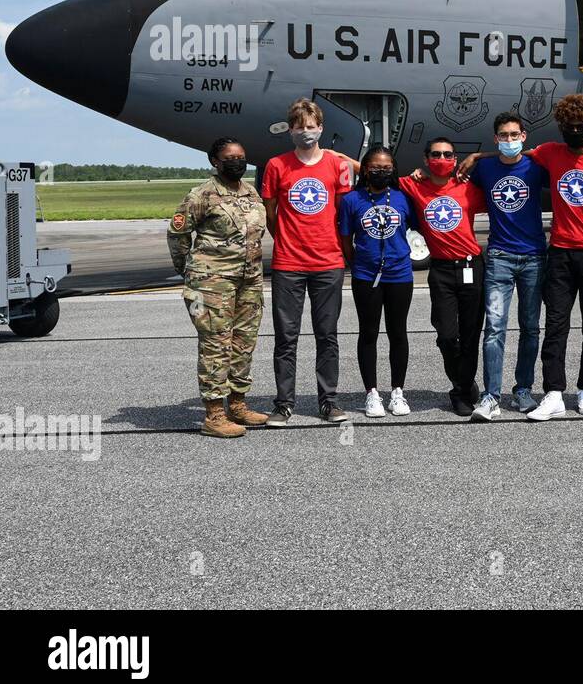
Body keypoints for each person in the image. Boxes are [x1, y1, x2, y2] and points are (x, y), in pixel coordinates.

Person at [461, 94, 583, 422]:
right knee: (548, 326)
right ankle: (548, 393)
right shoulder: (549, 153)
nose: (575, 130)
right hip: (555, 252)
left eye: (581, 126)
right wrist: (479, 155)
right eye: (569, 126)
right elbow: (512, 155)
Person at [167, 137, 269, 438]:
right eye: (229, 157)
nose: (237, 162)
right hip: (211, 283)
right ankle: (213, 413)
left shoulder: (250, 192)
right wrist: (190, 272)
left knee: (243, 343)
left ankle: (237, 404)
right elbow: (178, 235)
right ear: (215, 161)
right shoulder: (201, 195)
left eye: (241, 156)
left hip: (248, 281)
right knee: (216, 345)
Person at [260, 98, 352, 426]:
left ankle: (328, 401)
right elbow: (271, 213)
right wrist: (286, 239)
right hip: (289, 263)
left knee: (327, 335)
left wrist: (343, 254)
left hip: (328, 262)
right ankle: (284, 403)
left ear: (321, 128)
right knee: (286, 337)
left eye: (311, 126)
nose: (305, 132)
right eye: (299, 127)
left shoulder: (336, 165)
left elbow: (343, 213)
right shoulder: (276, 166)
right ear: (290, 130)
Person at [467, 113, 549, 419]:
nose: (510, 140)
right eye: (504, 135)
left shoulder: (537, 166)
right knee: (494, 329)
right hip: (499, 255)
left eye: (515, 135)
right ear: (495, 139)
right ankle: (491, 396)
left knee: (530, 328)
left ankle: (523, 390)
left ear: (524, 137)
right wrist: (476, 156)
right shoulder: (485, 168)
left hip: (534, 257)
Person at [400, 139, 488, 418]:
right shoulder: (414, 185)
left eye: (448, 154)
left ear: (455, 159)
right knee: (448, 335)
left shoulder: (468, 188)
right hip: (441, 270)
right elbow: (372, 170)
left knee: (471, 333)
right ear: (426, 159)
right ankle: (461, 380)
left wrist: (477, 155)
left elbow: (514, 160)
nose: (442, 158)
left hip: (471, 266)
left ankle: (461, 392)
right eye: (436, 154)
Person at [338, 146, 416, 419]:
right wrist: (358, 262)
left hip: (400, 274)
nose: (381, 172)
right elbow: (346, 240)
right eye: (375, 167)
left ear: (393, 170)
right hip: (365, 275)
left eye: (387, 168)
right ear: (365, 169)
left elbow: (414, 227)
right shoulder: (351, 200)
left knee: (398, 333)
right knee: (368, 333)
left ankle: (397, 391)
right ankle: (371, 392)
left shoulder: (403, 199)